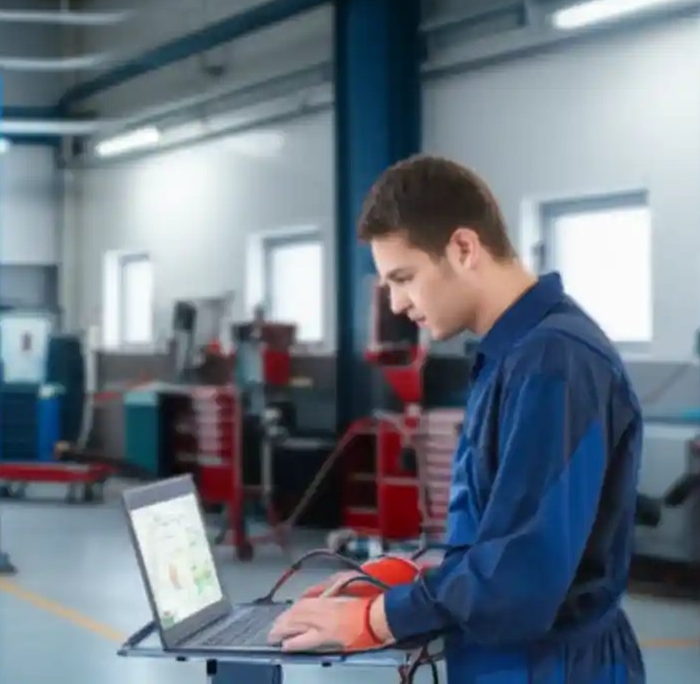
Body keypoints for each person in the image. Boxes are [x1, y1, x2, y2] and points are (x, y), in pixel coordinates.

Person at [267, 155, 646, 683]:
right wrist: (406, 579)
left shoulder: (554, 361)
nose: (396, 303)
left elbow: (522, 577)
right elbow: (503, 536)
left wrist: (377, 619)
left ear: (464, 248)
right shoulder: (512, 354)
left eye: (404, 278)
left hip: (549, 667)